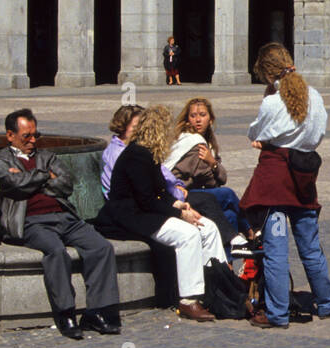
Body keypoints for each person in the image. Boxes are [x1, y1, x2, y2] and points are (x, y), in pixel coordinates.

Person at [240, 43, 330, 328]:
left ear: (268, 76)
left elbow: (256, 133)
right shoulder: (314, 95)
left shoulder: (271, 101)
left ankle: (277, 313)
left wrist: (270, 135)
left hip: (275, 179)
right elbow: (319, 133)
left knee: (276, 250)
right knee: (310, 245)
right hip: (303, 176)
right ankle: (327, 302)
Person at [0, 108, 121, 341]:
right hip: (30, 221)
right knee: (56, 251)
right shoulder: (0, 160)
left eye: (35, 135)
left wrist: (31, 179)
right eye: (25, 137)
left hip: (64, 216)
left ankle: (98, 311)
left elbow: (66, 183)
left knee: (101, 247)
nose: (32, 141)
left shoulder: (46, 155)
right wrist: (44, 176)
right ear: (10, 136)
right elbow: (12, 183)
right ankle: (66, 313)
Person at [95, 106, 225, 322]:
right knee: (188, 235)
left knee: (208, 226)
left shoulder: (150, 154)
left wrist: (181, 205)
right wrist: (179, 214)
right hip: (132, 217)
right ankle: (188, 300)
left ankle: (218, 287)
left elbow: (160, 193)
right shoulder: (137, 155)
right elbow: (146, 200)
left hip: (148, 212)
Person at [166, 97, 248, 246]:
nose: (198, 120)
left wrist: (212, 162)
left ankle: (226, 266)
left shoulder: (206, 142)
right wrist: (212, 164)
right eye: (193, 116)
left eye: (202, 115)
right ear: (186, 120)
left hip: (198, 193)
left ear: (210, 119)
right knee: (227, 194)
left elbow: (217, 179)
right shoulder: (193, 143)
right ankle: (251, 231)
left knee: (229, 215)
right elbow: (216, 180)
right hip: (181, 195)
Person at [100, 104, 144, 198]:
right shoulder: (117, 153)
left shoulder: (138, 148)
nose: (140, 131)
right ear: (123, 127)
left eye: (143, 127)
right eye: (136, 127)